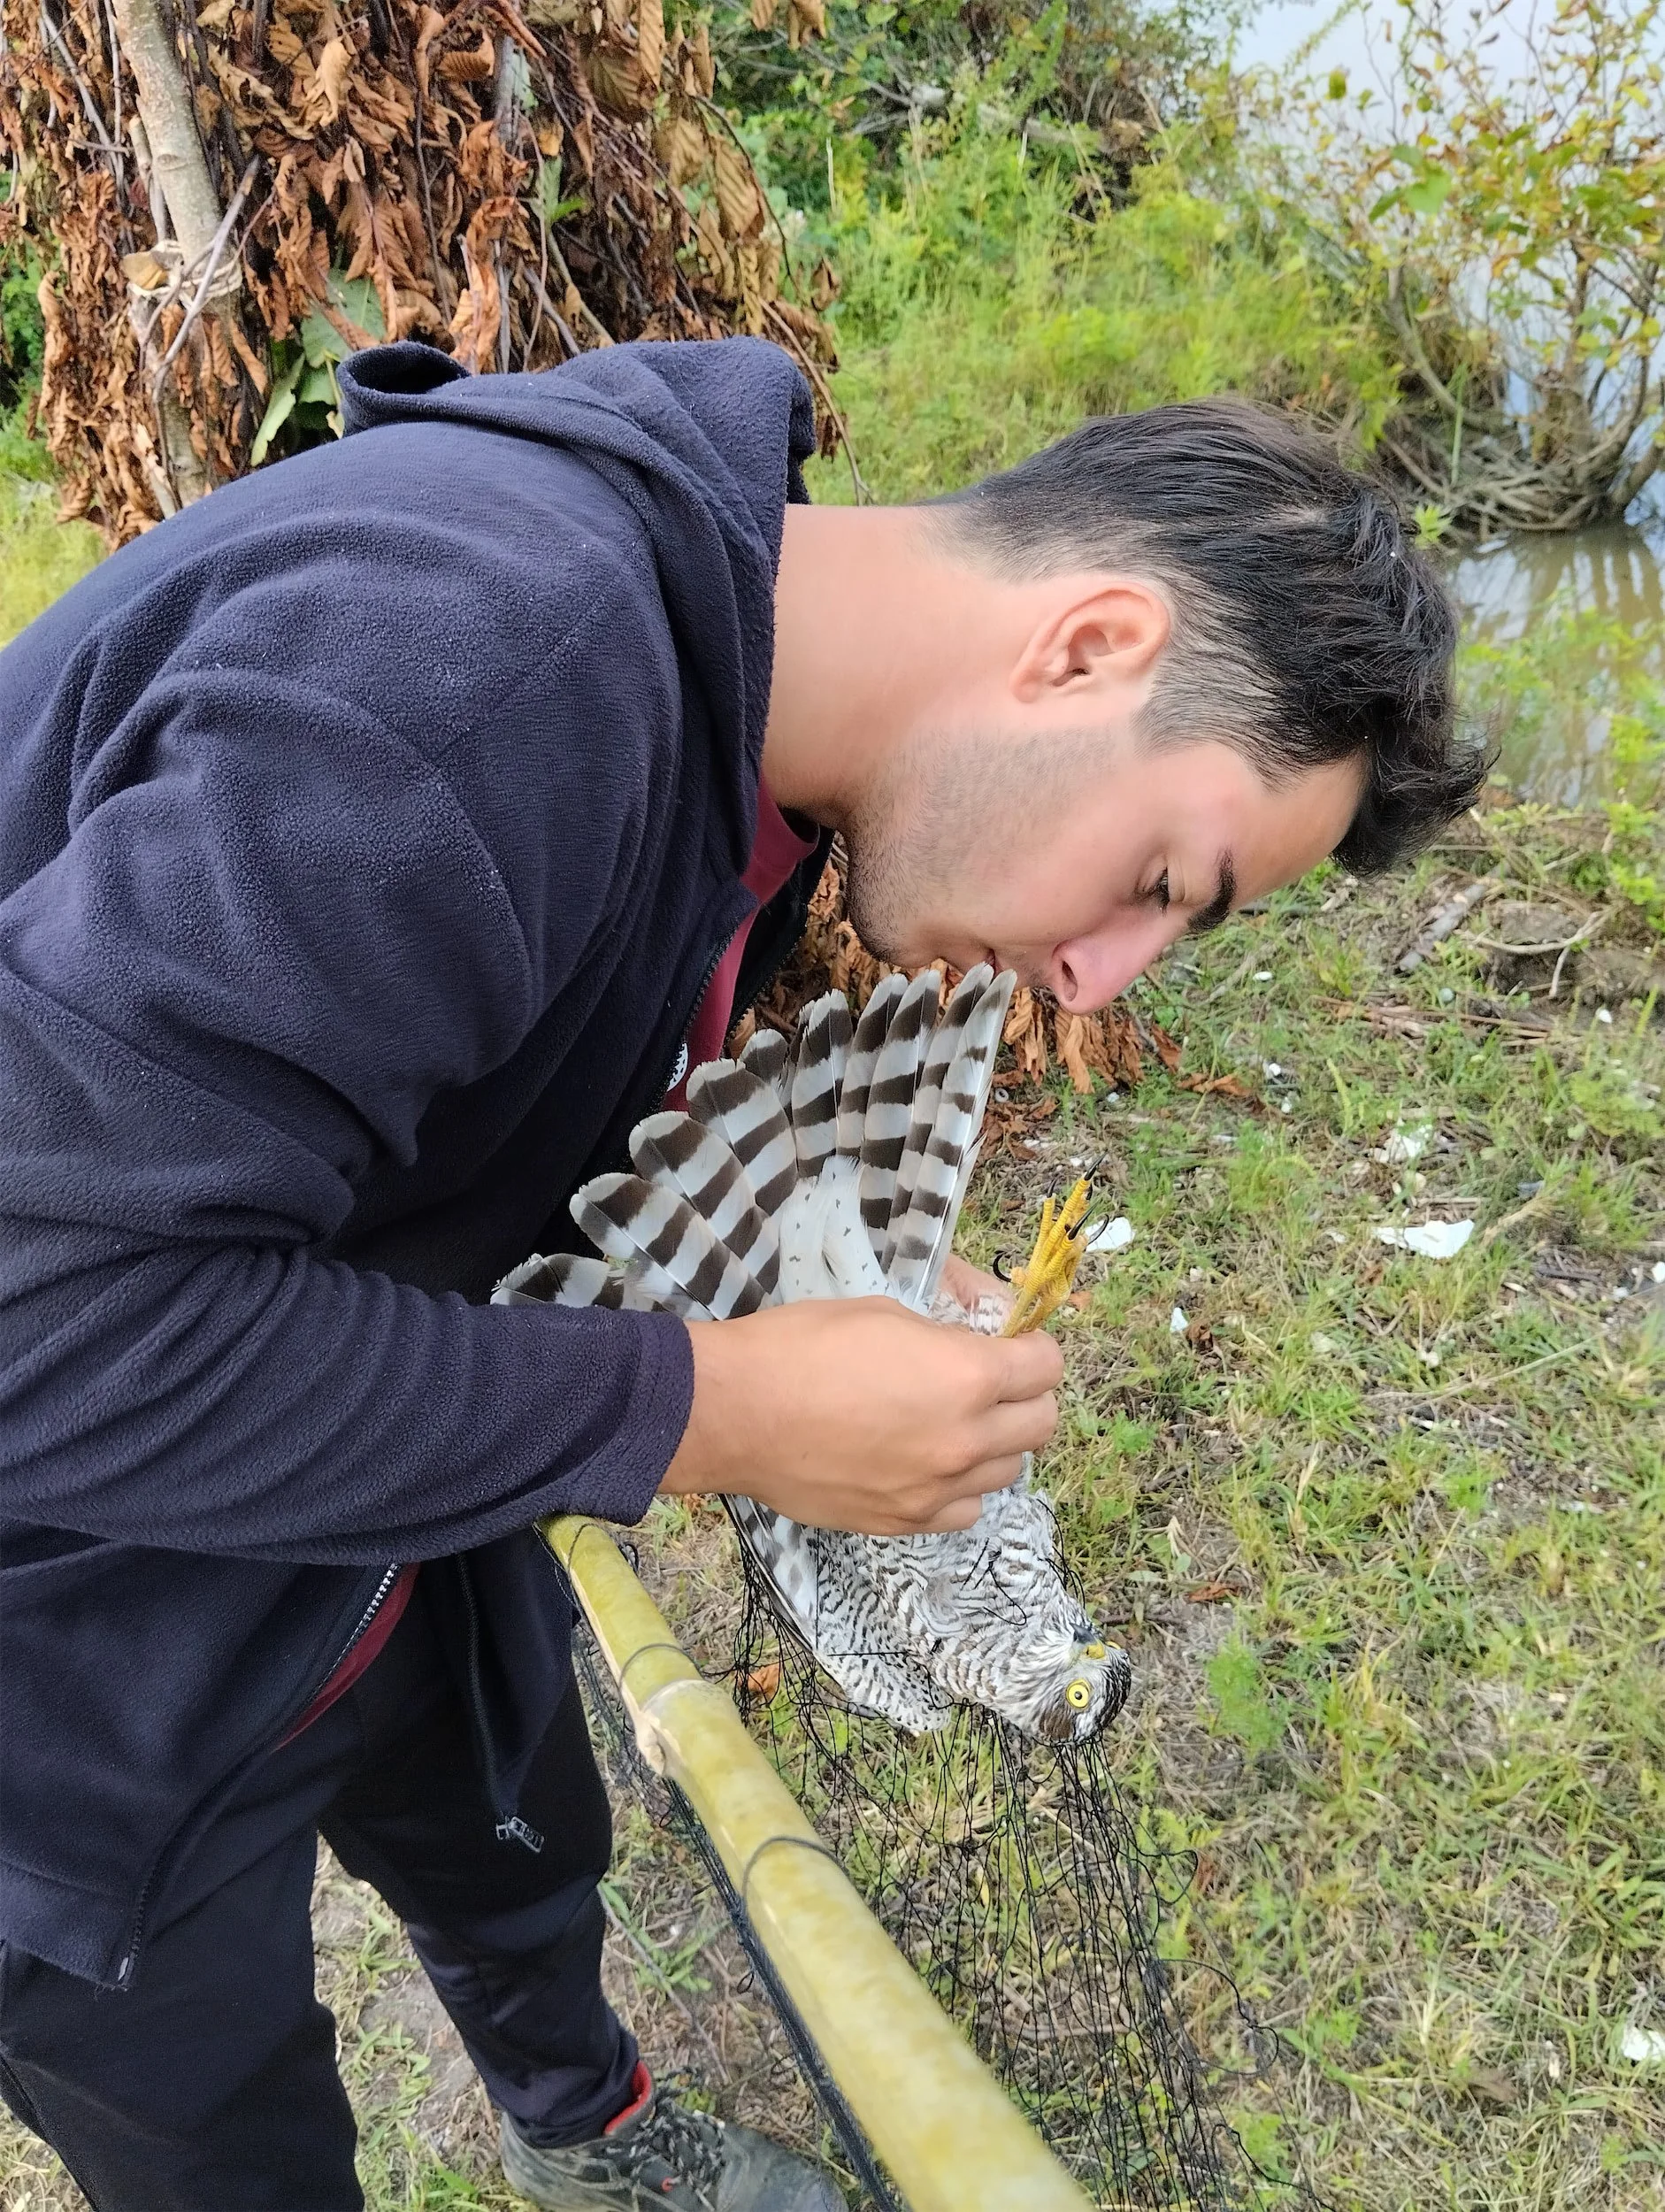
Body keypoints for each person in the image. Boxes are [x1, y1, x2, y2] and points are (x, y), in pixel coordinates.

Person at [0, 334, 1476, 2211]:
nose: (1102, 979)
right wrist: (719, 1406)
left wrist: (806, 1271)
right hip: (68, 1649)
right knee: (221, 2130)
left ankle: (586, 2127)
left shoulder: (733, 693)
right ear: (1087, 644)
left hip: (374, 1520)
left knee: (514, 1842)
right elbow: (39, 1316)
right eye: (1163, 881)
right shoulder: (473, 688)